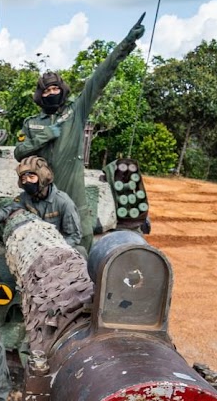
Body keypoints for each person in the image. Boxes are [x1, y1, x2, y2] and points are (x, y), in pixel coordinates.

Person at [14, 15, 146, 251]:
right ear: (40, 95)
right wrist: (45, 135)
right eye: (47, 90)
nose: (51, 93)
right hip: (42, 199)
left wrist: (127, 43)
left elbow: (100, 78)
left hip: (74, 194)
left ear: (62, 90)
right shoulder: (32, 123)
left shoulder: (76, 113)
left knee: (82, 244)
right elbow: (20, 152)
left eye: (55, 88)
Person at [0, 156, 83, 250]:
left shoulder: (63, 202)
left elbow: (74, 235)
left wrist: (55, 248)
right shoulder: (25, 197)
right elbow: (9, 209)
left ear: (42, 177)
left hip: (57, 247)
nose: (27, 182)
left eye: (31, 177)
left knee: (80, 251)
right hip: (33, 245)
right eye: (23, 179)